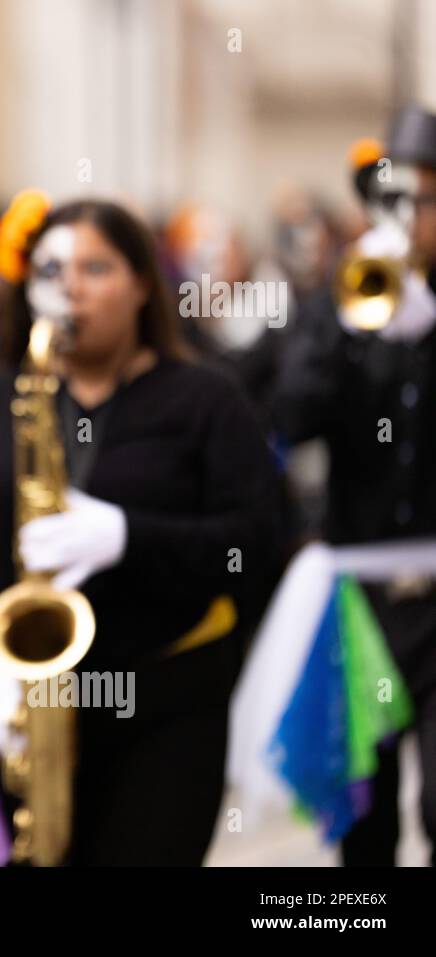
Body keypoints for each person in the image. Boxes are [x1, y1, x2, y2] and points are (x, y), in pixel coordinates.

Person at [0, 192, 284, 865]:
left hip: (166, 706)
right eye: (49, 271)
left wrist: (130, 535)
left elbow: (255, 544)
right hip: (16, 711)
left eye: (94, 268)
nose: (68, 287)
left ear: (142, 286)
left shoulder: (207, 399)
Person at [273, 105, 436, 866]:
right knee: (364, 816)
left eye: (426, 199)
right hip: (360, 594)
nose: (410, 218)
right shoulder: (340, 303)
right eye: (397, 198)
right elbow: (291, 416)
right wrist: (350, 325)